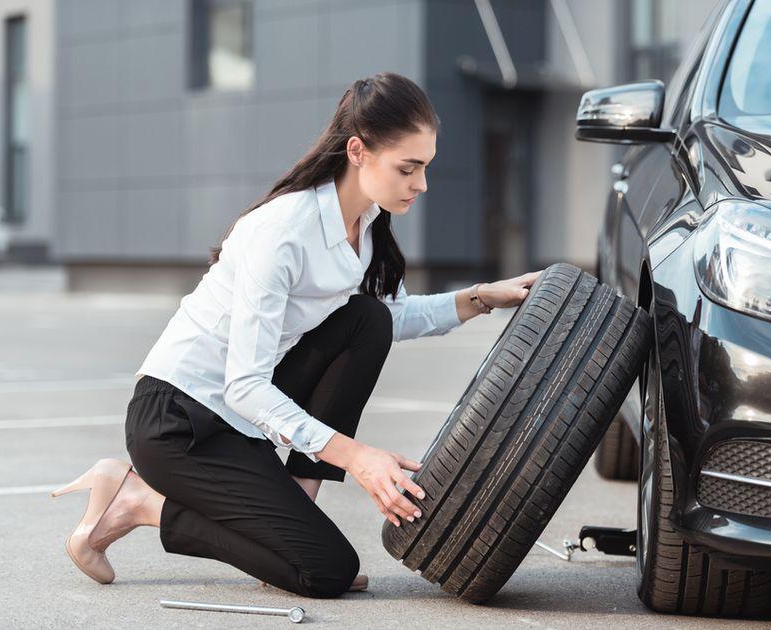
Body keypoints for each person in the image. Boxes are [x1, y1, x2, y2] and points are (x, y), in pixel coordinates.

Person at [49, 72, 541, 599]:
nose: (421, 184)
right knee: (325, 571)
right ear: (358, 150)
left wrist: (484, 297)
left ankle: (292, 521)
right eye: (409, 168)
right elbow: (244, 385)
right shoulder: (282, 231)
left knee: (365, 320)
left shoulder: (365, 227)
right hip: (179, 422)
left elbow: (389, 320)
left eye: (425, 167)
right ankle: (137, 500)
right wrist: (355, 456)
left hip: (240, 420)